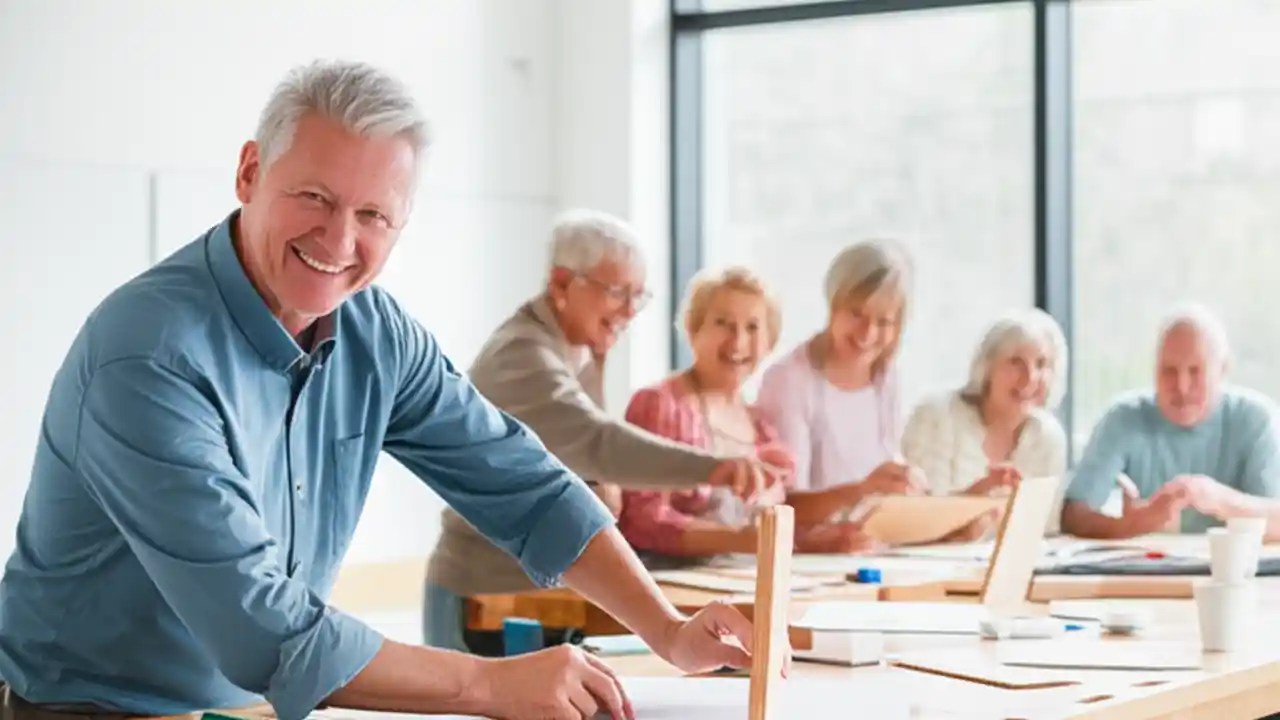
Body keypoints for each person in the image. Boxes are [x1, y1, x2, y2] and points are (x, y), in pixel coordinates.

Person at [0, 61, 777, 720]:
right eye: (314, 197)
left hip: (246, 707)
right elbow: (261, 627)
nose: (340, 240)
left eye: (373, 214)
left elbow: (526, 488)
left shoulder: (375, 330)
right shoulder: (148, 355)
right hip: (87, 709)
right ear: (250, 173)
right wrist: (490, 684)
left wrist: (666, 630)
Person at [423, 212, 788, 654]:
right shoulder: (524, 356)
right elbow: (598, 442)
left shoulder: (580, 347)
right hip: (487, 595)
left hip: (542, 590)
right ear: (561, 284)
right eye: (617, 292)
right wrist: (715, 469)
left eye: (638, 296)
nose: (630, 311)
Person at [618, 267, 877, 557]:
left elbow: (779, 516)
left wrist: (827, 533)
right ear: (694, 329)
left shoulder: (759, 423)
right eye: (723, 323)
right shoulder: (660, 405)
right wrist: (751, 541)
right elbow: (642, 521)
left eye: (753, 328)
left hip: (741, 574)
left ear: (769, 342)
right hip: (672, 577)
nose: (738, 342)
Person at [1062, 304, 1280, 541]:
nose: (1182, 387)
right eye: (1169, 371)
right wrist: (1132, 525)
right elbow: (1074, 515)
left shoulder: (1256, 419)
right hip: (1148, 561)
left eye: (1195, 371)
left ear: (1223, 370)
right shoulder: (1122, 418)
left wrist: (1217, 499)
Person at [756, 240, 924, 520]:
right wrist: (863, 490)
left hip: (871, 539)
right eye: (857, 314)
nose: (868, 334)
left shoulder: (886, 378)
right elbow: (783, 508)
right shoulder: (789, 381)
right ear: (833, 304)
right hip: (811, 544)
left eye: (884, 322)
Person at [902, 309, 1068, 511]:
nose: (1030, 378)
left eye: (1041, 364)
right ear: (987, 368)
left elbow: (1047, 525)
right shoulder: (936, 417)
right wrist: (975, 499)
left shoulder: (1049, 438)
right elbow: (918, 516)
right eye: (1016, 362)